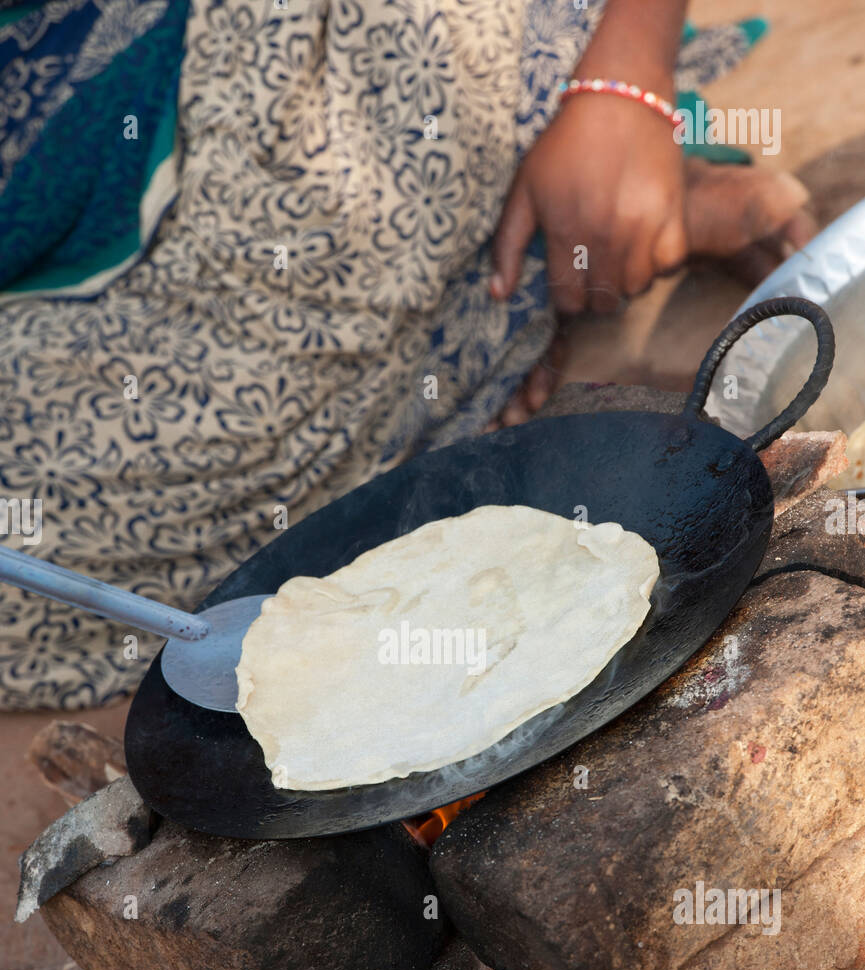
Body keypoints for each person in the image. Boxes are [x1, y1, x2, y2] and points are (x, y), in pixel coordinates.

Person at [0, 0, 813, 709]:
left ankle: (600, 205)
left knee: (403, 145)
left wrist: (622, 84)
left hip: (326, 62)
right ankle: (576, 243)